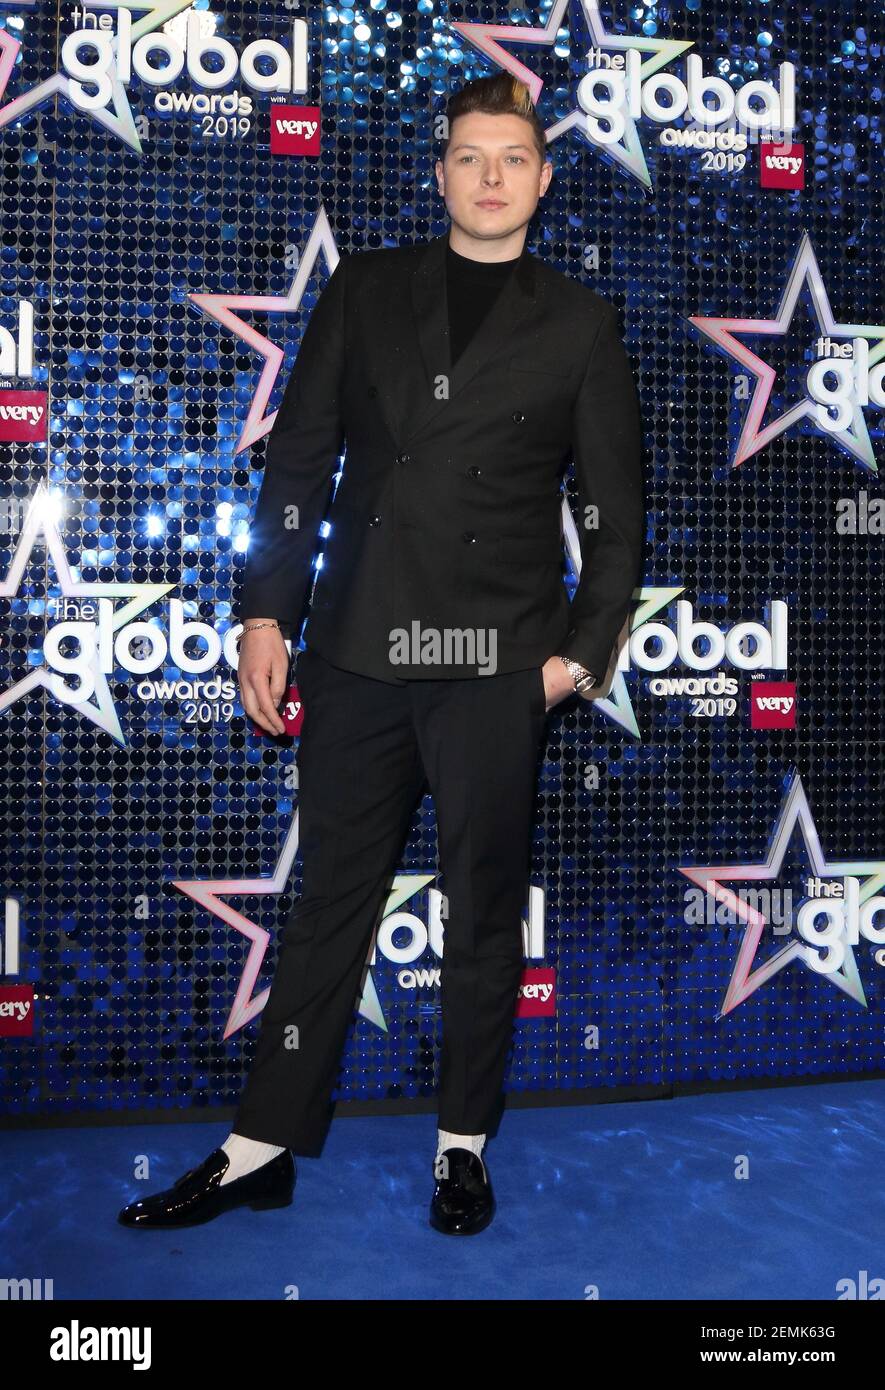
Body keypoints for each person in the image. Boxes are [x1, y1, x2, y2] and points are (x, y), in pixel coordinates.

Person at [118, 72, 645, 1235]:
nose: (491, 176)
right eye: (470, 156)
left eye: (513, 158)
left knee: (481, 913)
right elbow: (299, 462)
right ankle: (259, 1147)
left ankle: (463, 1145)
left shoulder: (580, 323)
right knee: (325, 912)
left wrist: (574, 662)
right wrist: (266, 615)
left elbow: (614, 519)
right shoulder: (366, 288)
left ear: (544, 178)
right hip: (356, 652)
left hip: (496, 665)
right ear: (440, 169)